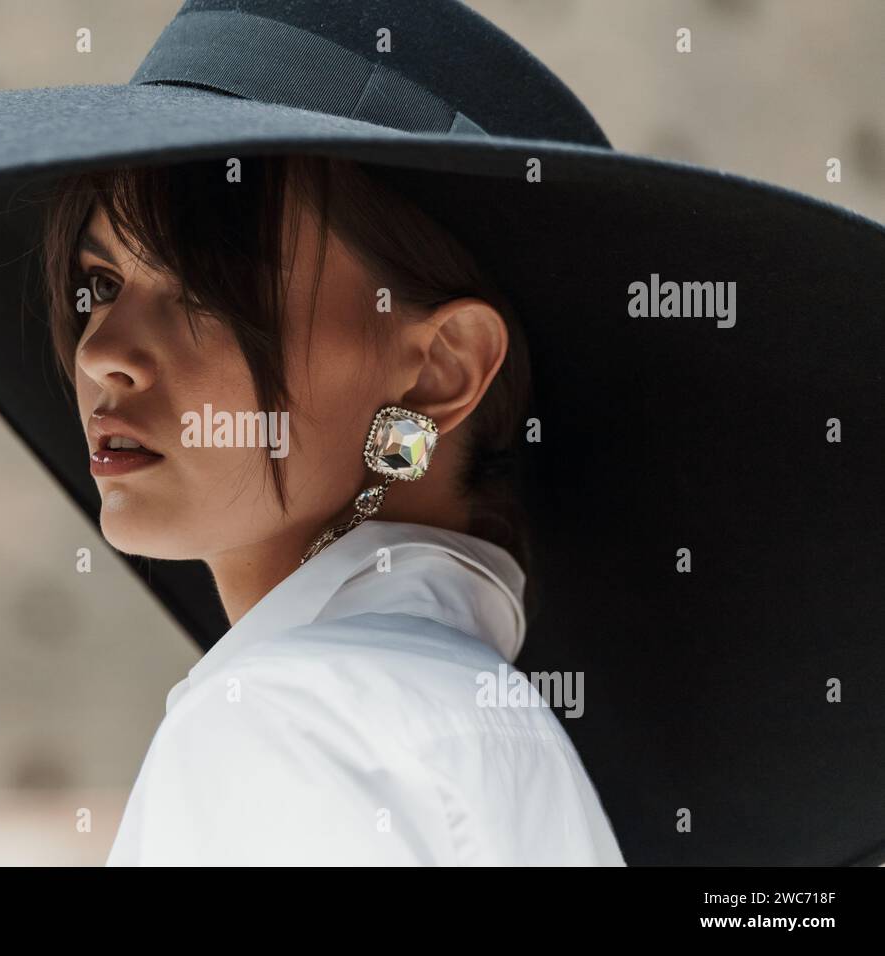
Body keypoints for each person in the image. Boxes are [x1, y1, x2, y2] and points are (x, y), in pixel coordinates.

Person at [41, 155, 625, 865]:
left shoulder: (286, 717)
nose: (101, 352)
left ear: (441, 369)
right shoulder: (484, 717)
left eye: (206, 289)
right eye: (101, 284)